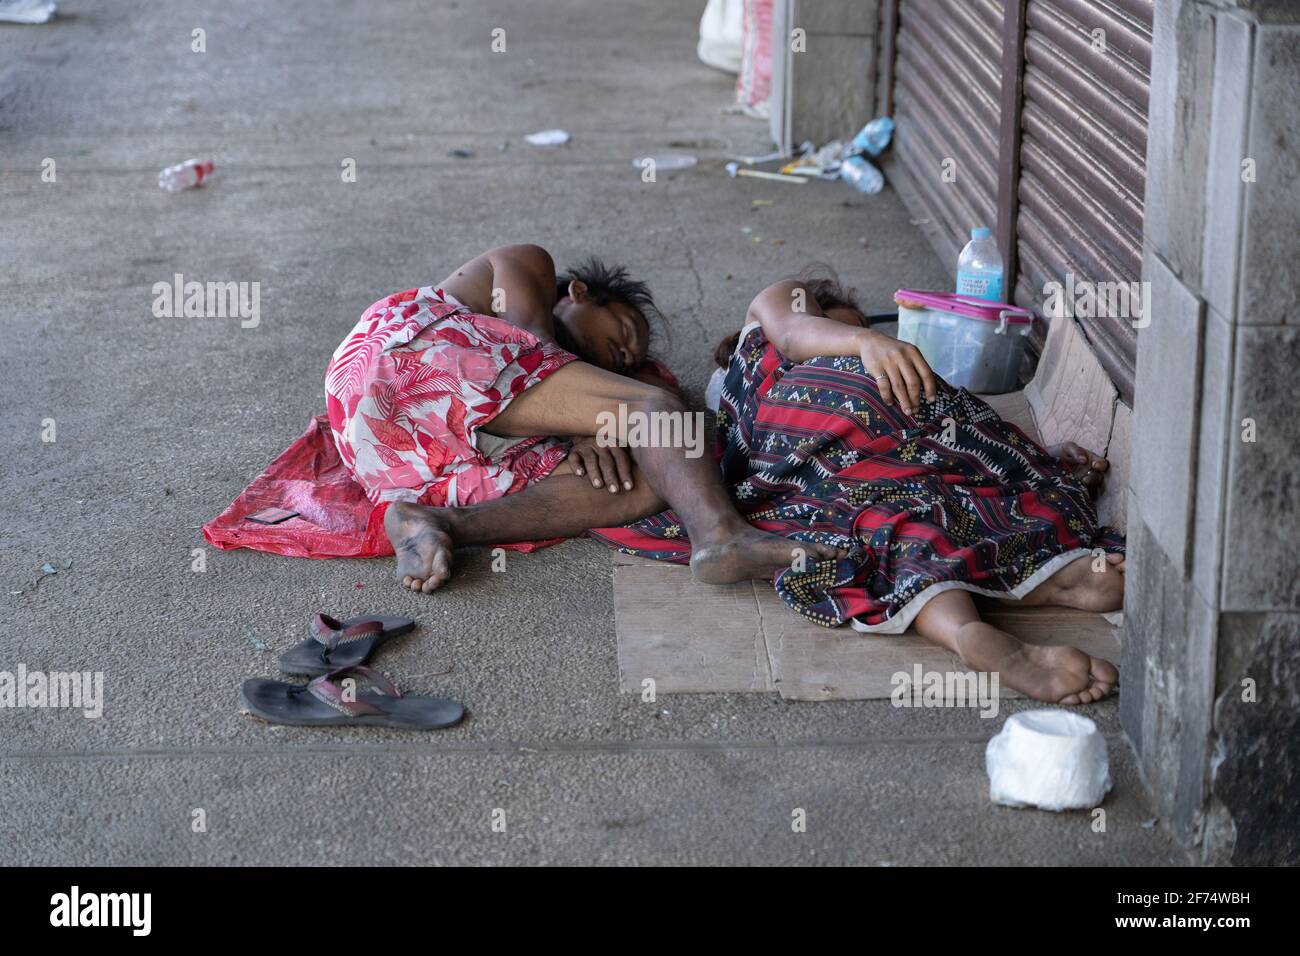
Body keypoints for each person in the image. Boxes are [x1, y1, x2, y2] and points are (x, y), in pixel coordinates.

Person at [418, 265, 1126, 705]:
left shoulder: (681, 402)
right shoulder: (778, 316)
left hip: (779, 472)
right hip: (822, 411)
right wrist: (866, 343)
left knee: (877, 520)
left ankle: (976, 631)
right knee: (951, 439)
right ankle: (1058, 563)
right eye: (626, 328)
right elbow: (793, 332)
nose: (632, 349)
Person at [324, 244, 843, 595]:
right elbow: (529, 337)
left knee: (642, 484)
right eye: (622, 328)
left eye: (627, 358)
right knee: (658, 413)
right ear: (580, 294)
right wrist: (586, 424)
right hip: (408, 357)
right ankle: (722, 533)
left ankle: (438, 523)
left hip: (387, 452)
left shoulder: (537, 403)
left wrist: (592, 420)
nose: (622, 353)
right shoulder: (528, 263)